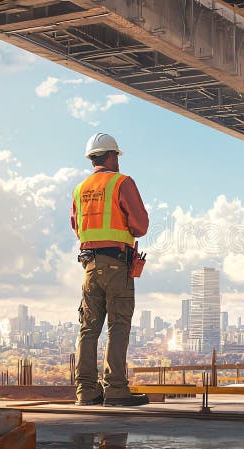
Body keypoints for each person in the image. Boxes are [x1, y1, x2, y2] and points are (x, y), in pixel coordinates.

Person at [71, 133, 149, 407]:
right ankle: (115, 390)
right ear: (112, 156)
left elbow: (77, 227)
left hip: (89, 267)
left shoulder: (80, 189)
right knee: (118, 326)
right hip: (117, 265)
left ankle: (86, 392)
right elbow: (140, 226)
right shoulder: (121, 182)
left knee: (88, 329)